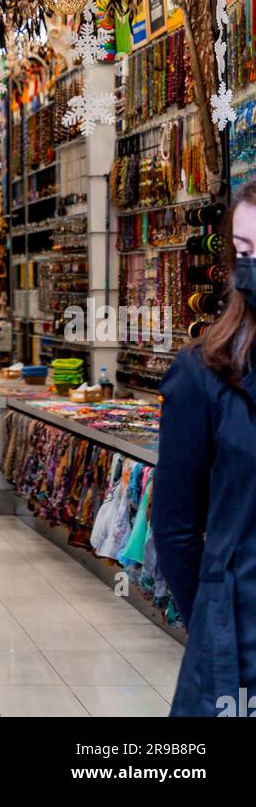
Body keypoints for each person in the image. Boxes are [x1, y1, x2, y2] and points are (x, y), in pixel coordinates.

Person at [153, 181, 256, 717]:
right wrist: (213, 620)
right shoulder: (201, 373)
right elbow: (173, 524)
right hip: (233, 644)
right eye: (243, 252)